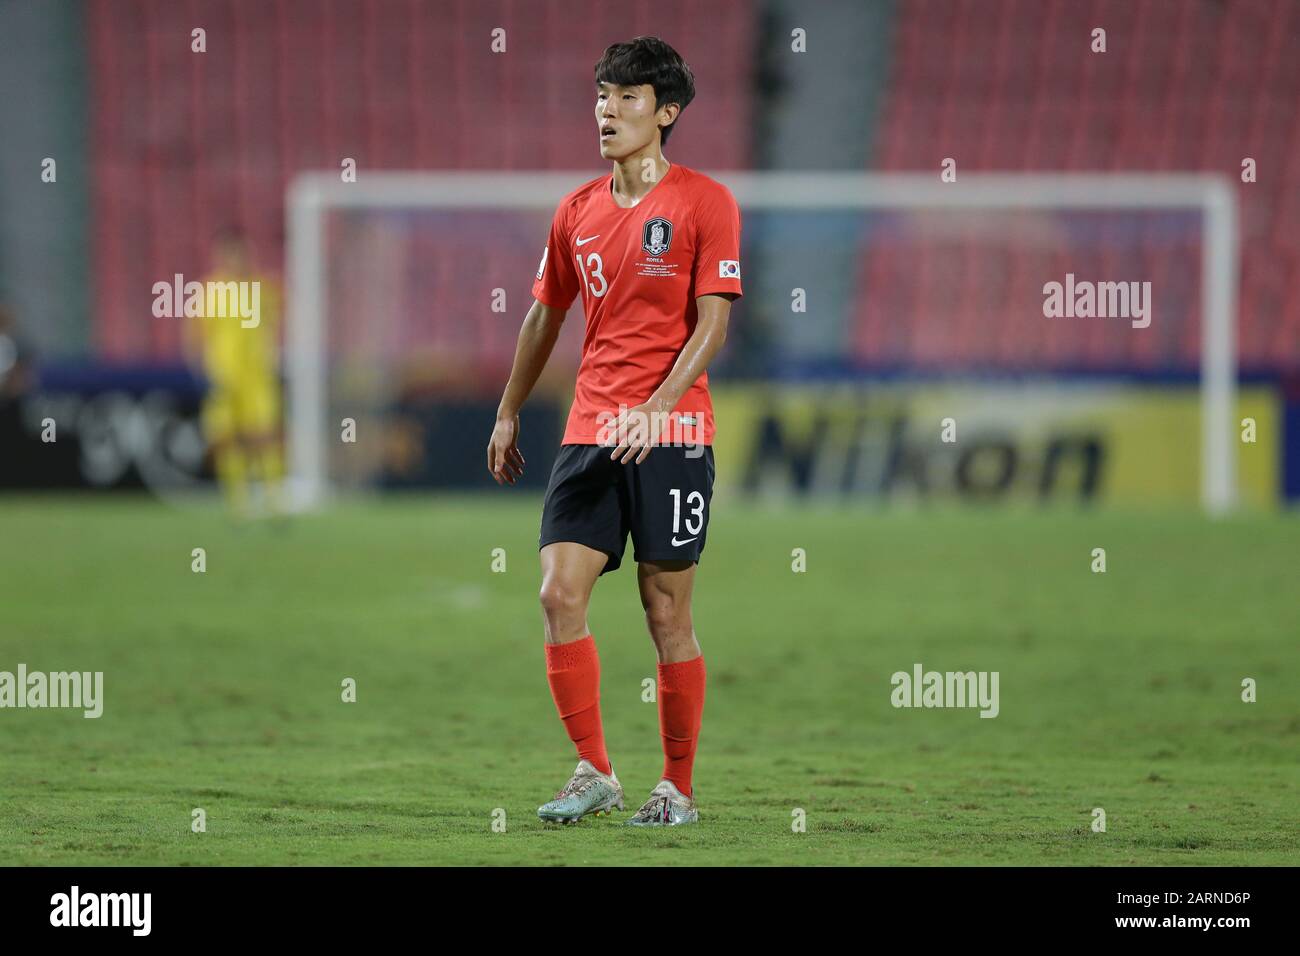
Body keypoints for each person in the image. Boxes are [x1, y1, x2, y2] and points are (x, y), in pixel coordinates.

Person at [486, 37, 742, 826]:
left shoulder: (706, 202)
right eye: (602, 92)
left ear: (665, 113)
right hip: (591, 429)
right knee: (557, 593)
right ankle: (594, 769)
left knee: (666, 614)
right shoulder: (577, 211)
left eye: (629, 96)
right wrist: (508, 407)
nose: (608, 109)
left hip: (671, 432)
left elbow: (714, 325)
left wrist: (659, 407)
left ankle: (678, 788)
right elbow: (543, 314)